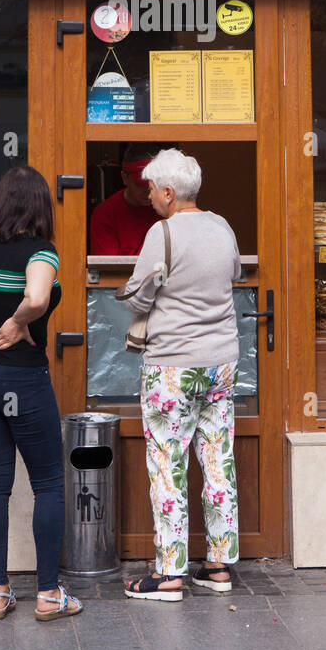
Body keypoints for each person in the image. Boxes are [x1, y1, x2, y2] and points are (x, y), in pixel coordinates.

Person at [0, 165, 82, 621]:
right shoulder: (41, 252)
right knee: (48, 483)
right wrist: (18, 321)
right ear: (40, 207)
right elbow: (36, 298)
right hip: (22, 381)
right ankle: (48, 596)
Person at [120, 148, 241, 602]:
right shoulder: (223, 227)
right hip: (221, 362)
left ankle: (170, 573)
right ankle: (217, 566)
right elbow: (232, 275)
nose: (149, 196)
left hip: (172, 364)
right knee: (218, 460)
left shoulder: (162, 233)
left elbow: (138, 297)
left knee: (168, 465)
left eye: (152, 189)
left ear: (169, 192)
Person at [89, 144, 159, 255]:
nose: (148, 191)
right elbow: (107, 269)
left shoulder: (166, 208)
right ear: (124, 178)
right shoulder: (105, 214)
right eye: (140, 185)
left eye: (153, 184)